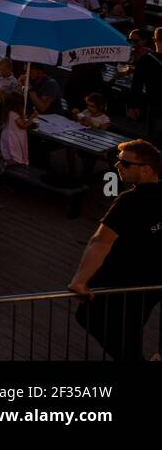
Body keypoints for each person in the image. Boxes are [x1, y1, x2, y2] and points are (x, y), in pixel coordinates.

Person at [67, 139, 162, 362]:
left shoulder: (130, 201)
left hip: (122, 282)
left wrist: (79, 281)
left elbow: (100, 242)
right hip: (153, 283)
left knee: (89, 316)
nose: (117, 166)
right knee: (130, 326)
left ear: (146, 169)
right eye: (117, 161)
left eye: (124, 163)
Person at [128, 26, 162, 143]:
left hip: (156, 104)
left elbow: (136, 85)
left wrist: (133, 106)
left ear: (154, 39)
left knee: (155, 142)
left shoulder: (146, 60)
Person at [0, 91, 34, 169]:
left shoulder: (8, 112)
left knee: (8, 153)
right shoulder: (14, 114)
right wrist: (32, 119)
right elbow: (23, 125)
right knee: (16, 158)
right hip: (14, 137)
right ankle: (5, 164)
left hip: (7, 135)